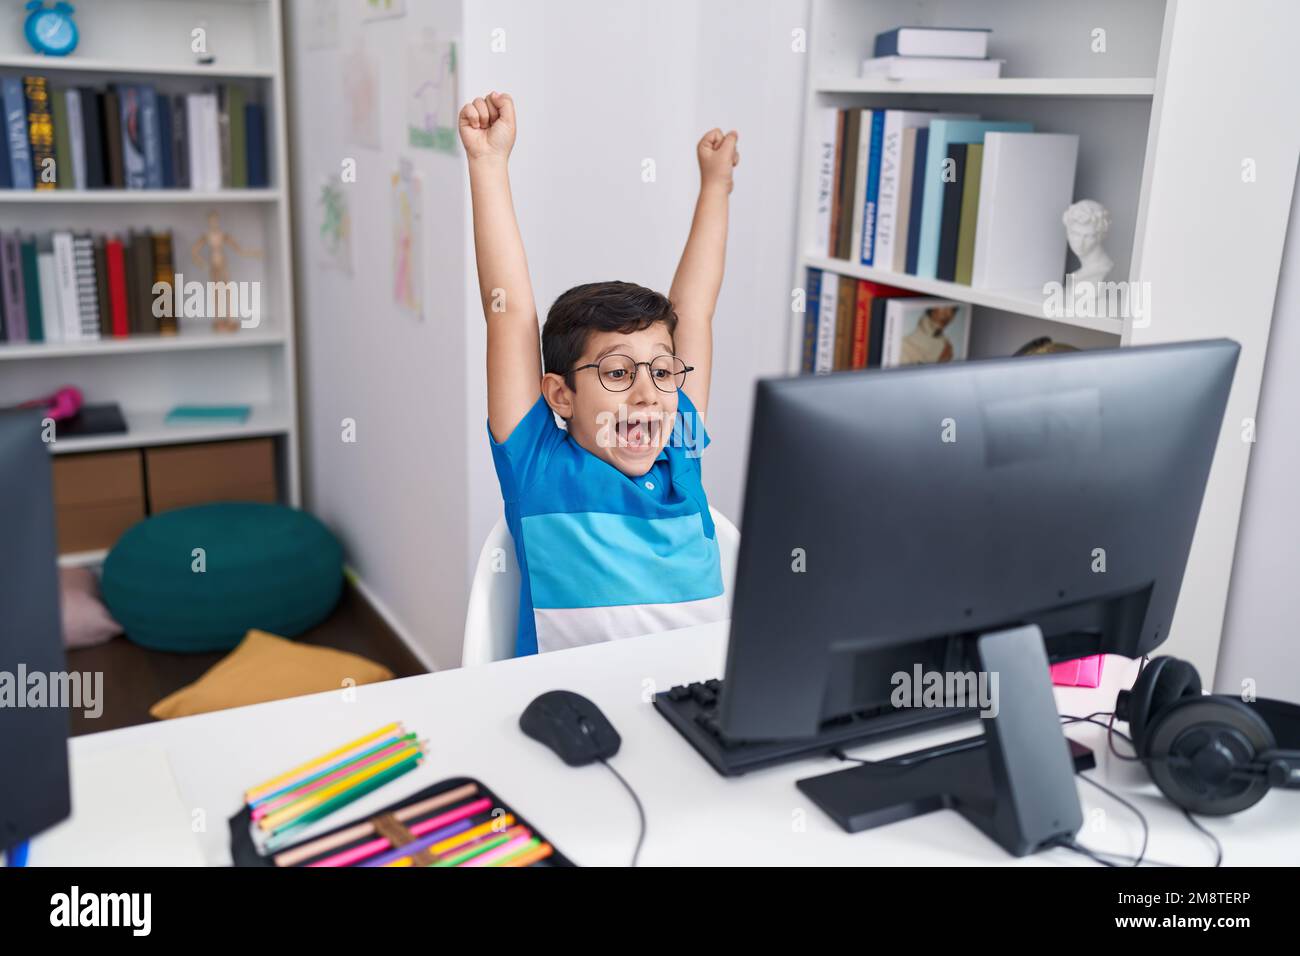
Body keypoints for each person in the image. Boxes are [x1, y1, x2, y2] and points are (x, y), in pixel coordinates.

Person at [459, 91, 738, 656]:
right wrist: (488, 164)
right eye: (615, 374)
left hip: (698, 708)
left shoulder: (680, 441)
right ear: (561, 394)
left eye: (662, 372)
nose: (647, 395)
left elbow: (696, 308)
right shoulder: (539, 466)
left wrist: (715, 187)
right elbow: (508, 314)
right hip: (579, 714)